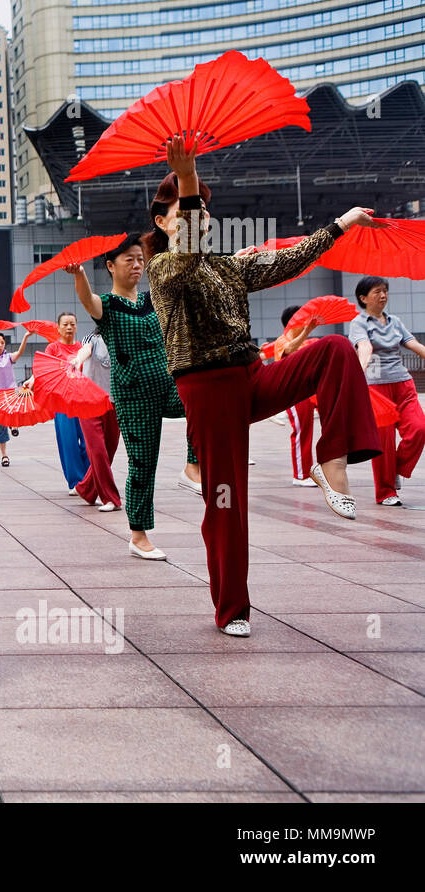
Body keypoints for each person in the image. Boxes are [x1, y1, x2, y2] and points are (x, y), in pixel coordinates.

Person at [146, 136, 381, 638]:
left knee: (335, 351)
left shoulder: (230, 265)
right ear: (163, 223)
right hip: (207, 390)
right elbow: (186, 253)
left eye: (204, 208)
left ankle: (331, 460)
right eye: (186, 209)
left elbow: (290, 261)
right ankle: (232, 607)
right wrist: (186, 179)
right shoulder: (165, 268)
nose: (199, 214)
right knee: (226, 498)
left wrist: (341, 223)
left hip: (251, 375)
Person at [65, 234, 201, 558]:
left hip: (167, 383)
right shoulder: (109, 308)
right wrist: (80, 275)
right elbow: (88, 301)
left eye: (140, 259)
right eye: (129, 259)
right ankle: (138, 536)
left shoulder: (152, 300)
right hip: (133, 397)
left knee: (204, 403)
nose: (137, 265)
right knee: (143, 464)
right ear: (111, 266)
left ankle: (192, 467)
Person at [350, 276, 425, 506]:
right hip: (376, 388)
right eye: (377, 292)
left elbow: (415, 345)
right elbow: (365, 347)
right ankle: (386, 492)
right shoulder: (359, 323)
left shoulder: (395, 322)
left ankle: (396, 470)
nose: (383, 296)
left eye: (385, 291)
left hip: (403, 384)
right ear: (363, 298)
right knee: (383, 443)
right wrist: (360, 371)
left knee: (419, 428)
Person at [21, 313, 91, 493]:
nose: (69, 327)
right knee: (68, 442)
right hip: (62, 402)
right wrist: (32, 380)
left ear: (76, 327)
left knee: (88, 441)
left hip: (83, 400)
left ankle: (88, 479)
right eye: (65, 324)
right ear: (58, 328)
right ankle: (76, 482)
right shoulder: (52, 348)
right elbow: (43, 369)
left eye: (72, 324)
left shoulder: (83, 347)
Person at [69, 331, 122, 512]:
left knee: (109, 450)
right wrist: (78, 360)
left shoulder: (122, 337)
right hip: (88, 401)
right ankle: (111, 498)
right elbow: (85, 350)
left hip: (114, 402)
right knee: (98, 451)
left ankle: (85, 489)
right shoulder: (92, 338)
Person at [274, 305, 321, 488]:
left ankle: (317, 470)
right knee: (302, 431)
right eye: (302, 318)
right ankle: (300, 475)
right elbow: (288, 350)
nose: (306, 322)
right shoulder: (282, 340)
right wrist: (306, 332)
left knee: (313, 429)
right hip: (292, 394)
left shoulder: (307, 342)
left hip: (309, 392)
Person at [0, 331, 28, 465]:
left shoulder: (8, 357)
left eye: (2, 342)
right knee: (0, 425)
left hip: (10, 392)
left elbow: (19, 352)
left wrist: (25, 336)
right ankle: (4, 456)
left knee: (13, 411)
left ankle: (13, 426)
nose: (0, 345)